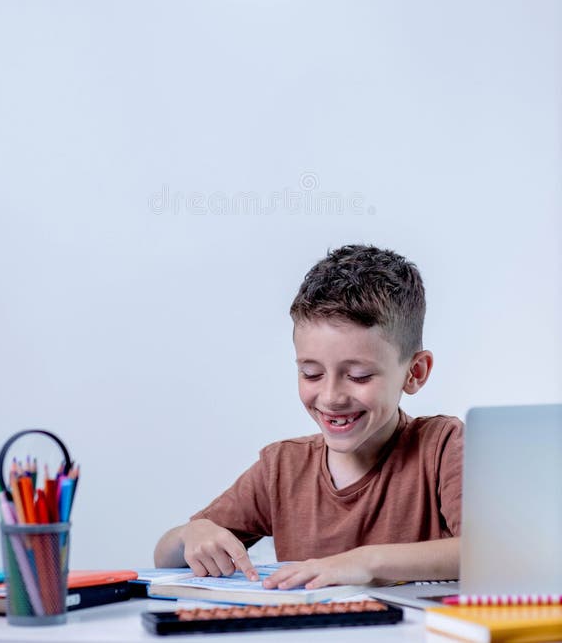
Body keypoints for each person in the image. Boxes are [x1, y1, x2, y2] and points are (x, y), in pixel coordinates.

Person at [154, 244, 463, 590]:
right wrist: (192, 533)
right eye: (312, 374)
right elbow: (165, 557)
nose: (331, 397)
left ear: (414, 373)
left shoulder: (443, 447)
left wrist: (364, 562)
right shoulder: (282, 467)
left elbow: (493, 552)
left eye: (359, 376)